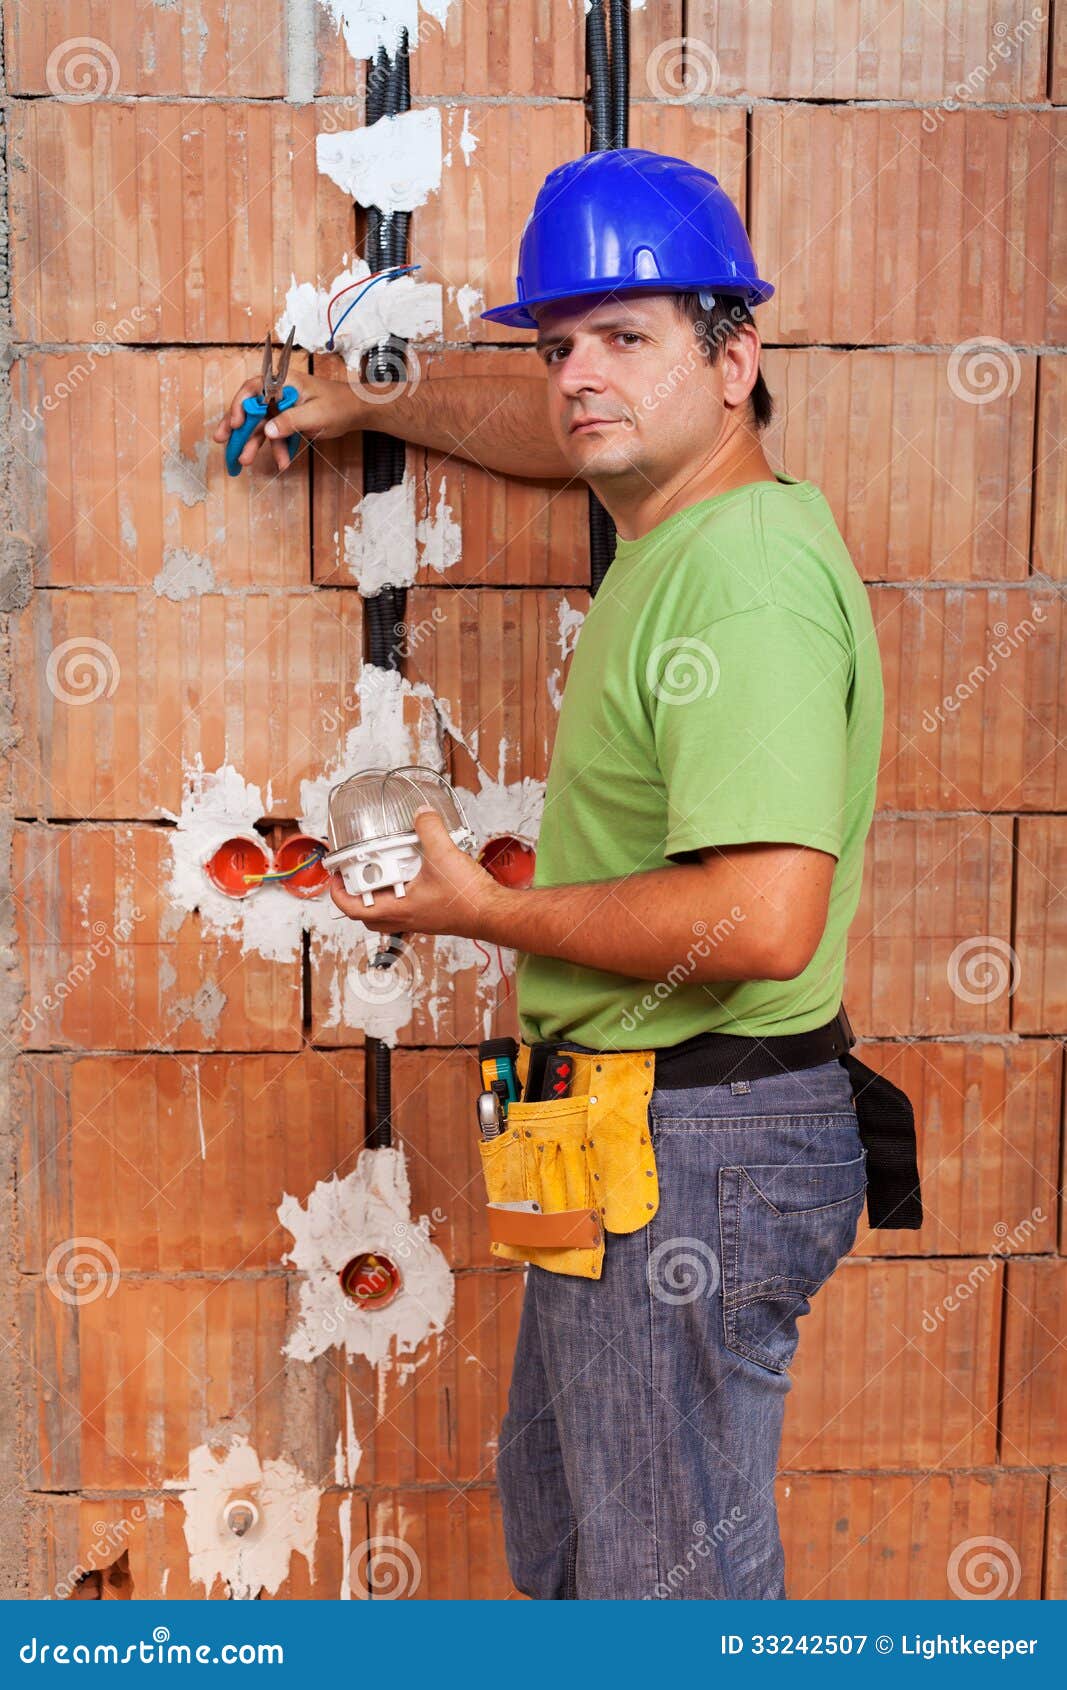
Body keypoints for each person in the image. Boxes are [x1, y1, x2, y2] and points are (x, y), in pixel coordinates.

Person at [216, 148, 884, 1600]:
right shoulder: (680, 511)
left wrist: (481, 910)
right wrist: (371, 399)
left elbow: (768, 920)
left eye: (625, 338)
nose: (579, 375)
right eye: (559, 344)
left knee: (670, 1601)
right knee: (582, 1549)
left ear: (735, 357)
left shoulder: (742, 580)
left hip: (696, 1153)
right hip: (621, 1144)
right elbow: (563, 430)